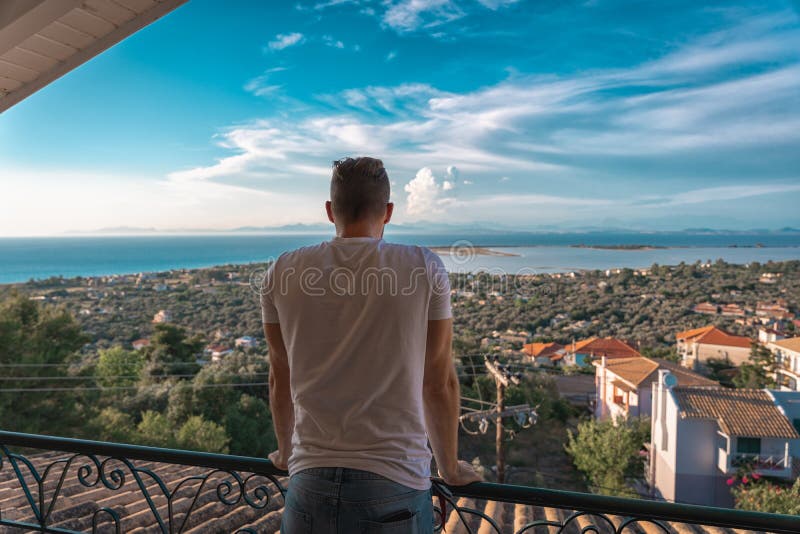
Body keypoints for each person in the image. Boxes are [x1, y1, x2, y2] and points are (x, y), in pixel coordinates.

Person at [261, 157, 482, 533]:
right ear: (389, 211)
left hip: (307, 484)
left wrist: (285, 452)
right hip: (394, 485)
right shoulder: (422, 266)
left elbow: (279, 376)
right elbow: (438, 381)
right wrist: (449, 466)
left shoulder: (282, 270)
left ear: (330, 211)